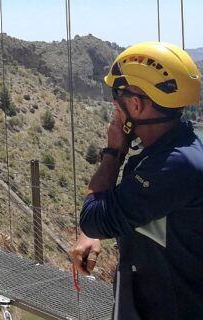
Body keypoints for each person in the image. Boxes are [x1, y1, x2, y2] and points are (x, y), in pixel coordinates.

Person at [71, 42, 203, 320]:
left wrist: (113, 150)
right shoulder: (164, 154)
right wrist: (95, 232)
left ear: (136, 104)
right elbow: (118, 212)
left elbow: (93, 217)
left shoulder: (173, 166)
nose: (113, 104)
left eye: (116, 95)